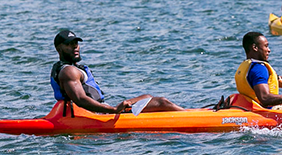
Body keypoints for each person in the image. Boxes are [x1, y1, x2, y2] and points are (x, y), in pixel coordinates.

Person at [50, 29, 183, 114]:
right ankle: (195, 115)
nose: (74, 47)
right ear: (59, 49)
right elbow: (80, 99)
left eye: (76, 43)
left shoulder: (72, 68)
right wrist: (113, 110)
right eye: (68, 44)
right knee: (162, 102)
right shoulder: (68, 72)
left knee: (147, 97)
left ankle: (191, 113)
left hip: (99, 109)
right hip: (94, 114)